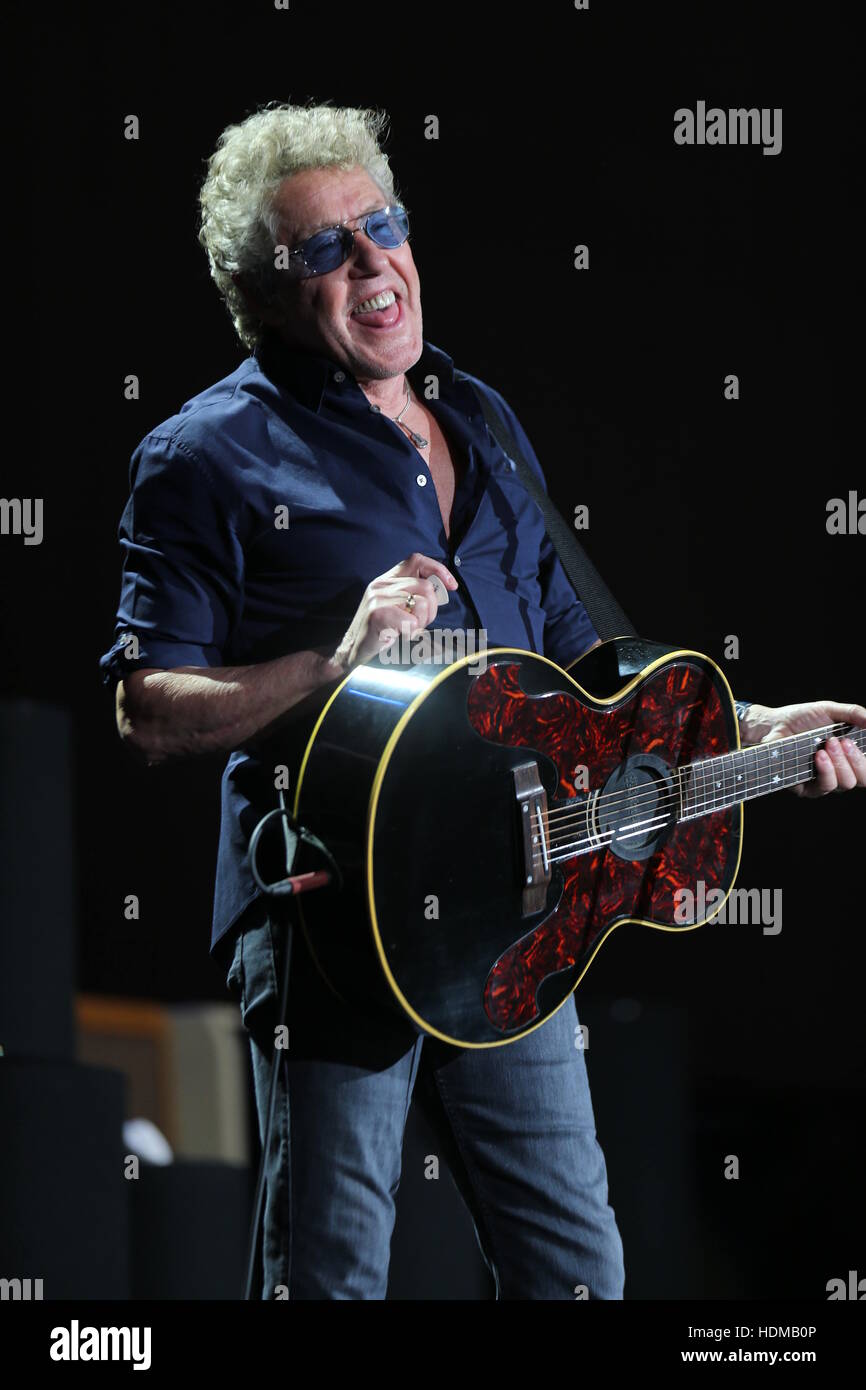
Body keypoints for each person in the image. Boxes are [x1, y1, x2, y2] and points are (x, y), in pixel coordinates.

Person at [100, 102, 865, 1300]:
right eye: (323, 249)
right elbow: (146, 708)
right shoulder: (204, 456)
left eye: (381, 224)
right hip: (335, 927)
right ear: (260, 290)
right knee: (334, 1273)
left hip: (520, 917)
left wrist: (746, 730)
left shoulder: (481, 417)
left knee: (576, 1270)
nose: (371, 265)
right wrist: (331, 662)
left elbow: (577, 661)